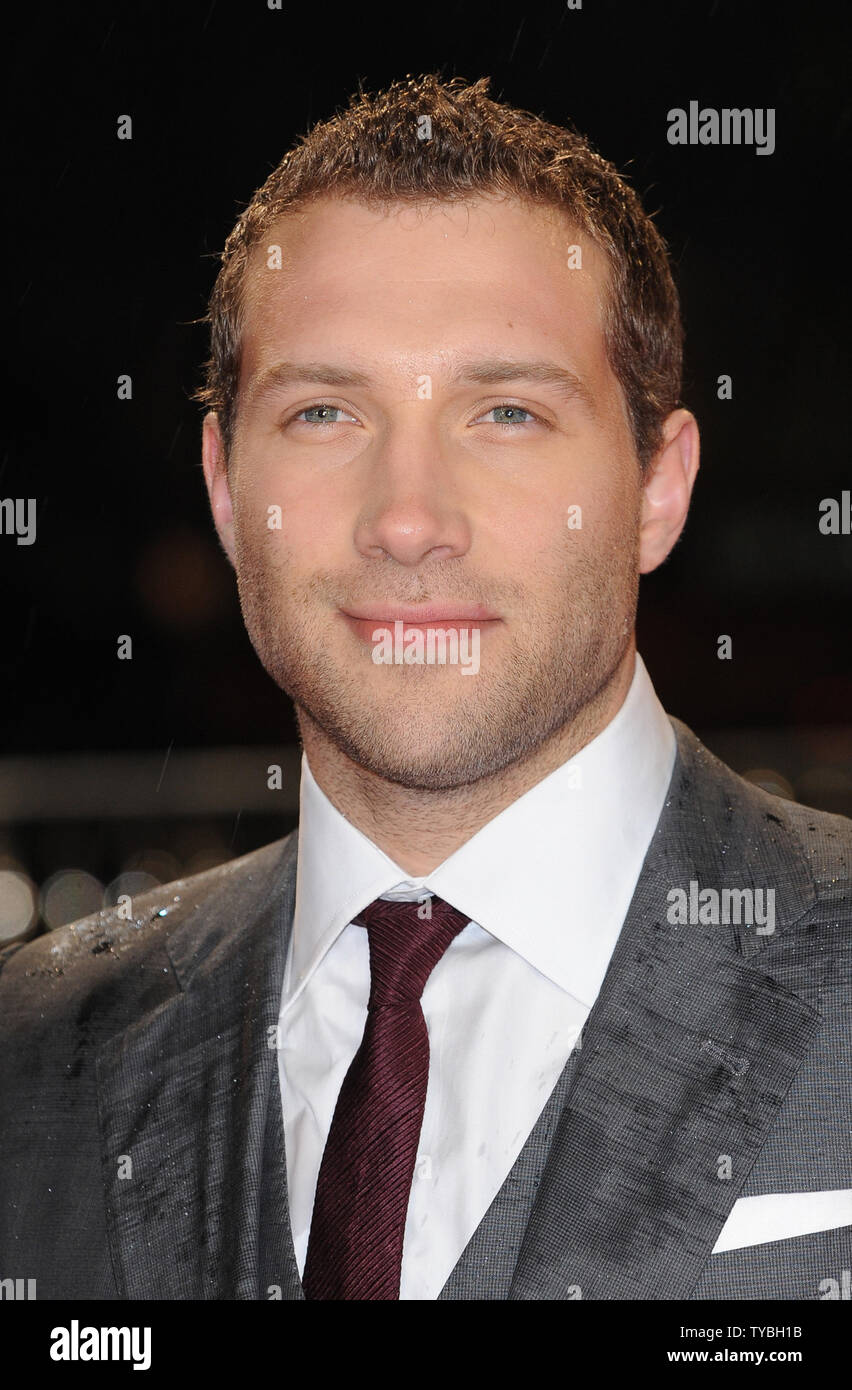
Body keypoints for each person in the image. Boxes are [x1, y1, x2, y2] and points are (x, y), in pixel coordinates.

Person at [1, 73, 850, 1302]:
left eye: (505, 411)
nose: (407, 520)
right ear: (227, 490)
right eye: (325, 411)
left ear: (659, 488)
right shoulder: (30, 1056)